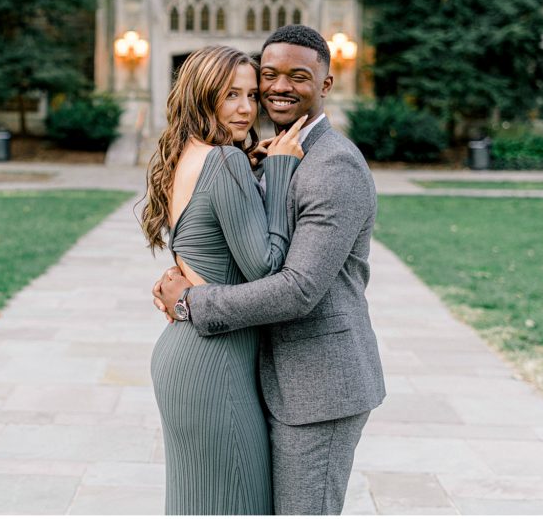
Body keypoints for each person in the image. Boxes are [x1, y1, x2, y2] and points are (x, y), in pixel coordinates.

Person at [153, 25, 386, 515]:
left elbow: (298, 288)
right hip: (260, 373)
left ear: (325, 84)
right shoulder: (259, 156)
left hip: (317, 385)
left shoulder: (334, 165)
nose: (278, 88)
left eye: (298, 76)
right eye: (268, 77)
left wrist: (193, 302)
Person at [141, 45, 307, 515]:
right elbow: (266, 268)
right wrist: (279, 170)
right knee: (238, 504)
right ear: (202, 96)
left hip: (185, 351)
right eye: (229, 94)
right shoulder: (225, 162)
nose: (245, 108)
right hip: (214, 364)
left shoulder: (185, 155)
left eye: (251, 95)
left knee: (198, 503)